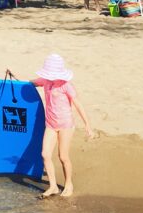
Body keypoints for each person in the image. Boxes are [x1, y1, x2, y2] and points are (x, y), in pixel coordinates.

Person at [33, 53, 96, 197]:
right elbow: (31, 83)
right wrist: (12, 79)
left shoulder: (66, 86)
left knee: (63, 156)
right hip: (50, 124)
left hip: (65, 125)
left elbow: (78, 105)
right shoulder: (46, 81)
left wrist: (88, 126)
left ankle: (69, 184)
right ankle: (53, 186)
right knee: (45, 154)